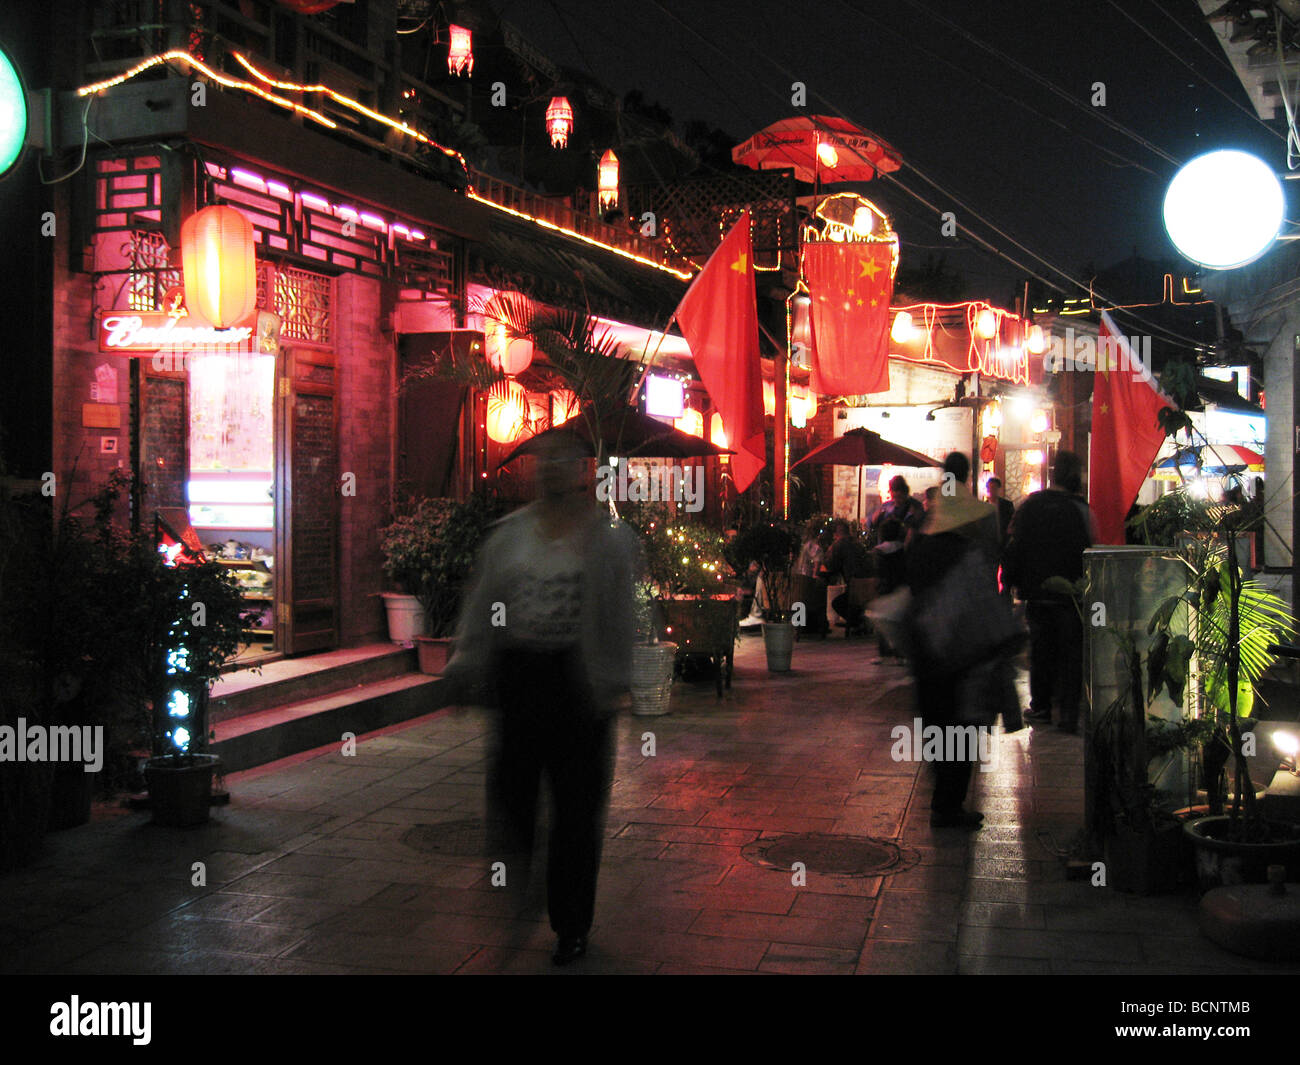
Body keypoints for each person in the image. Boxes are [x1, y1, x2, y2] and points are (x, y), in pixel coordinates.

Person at [443, 431, 639, 966]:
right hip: (520, 677)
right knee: (512, 792)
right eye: (544, 461)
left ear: (583, 469)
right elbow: (484, 602)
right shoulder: (510, 536)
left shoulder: (608, 540)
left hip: (580, 682)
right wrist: (467, 662)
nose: (550, 470)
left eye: (563, 461)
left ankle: (571, 922)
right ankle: (517, 881)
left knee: (578, 808)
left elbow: (622, 615)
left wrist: (617, 680)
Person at [906, 452, 1009, 828]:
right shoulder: (980, 518)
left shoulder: (923, 525)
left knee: (937, 720)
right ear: (968, 475)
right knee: (963, 724)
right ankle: (949, 804)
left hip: (926, 642)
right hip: (964, 642)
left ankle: (943, 801)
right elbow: (992, 567)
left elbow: (911, 576)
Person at [1002, 450, 1096, 733]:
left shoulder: (1030, 505)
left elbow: (1014, 543)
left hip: (1037, 594)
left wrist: (1012, 583)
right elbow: (1093, 550)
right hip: (1071, 597)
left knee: (1041, 651)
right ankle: (1068, 714)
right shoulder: (1082, 510)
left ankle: (1041, 707)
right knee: (1071, 656)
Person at [819, 518, 869, 633]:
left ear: (836, 533)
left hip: (855, 586)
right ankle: (860, 622)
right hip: (868, 584)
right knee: (847, 599)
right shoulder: (857, 544)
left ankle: (859, 623)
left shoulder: (840, 544)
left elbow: (830, 565)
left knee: (837, 603)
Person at [869, 475, 925, 548]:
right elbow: (872, 524)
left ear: (905, 492)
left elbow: (917, 528)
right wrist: (873, 520)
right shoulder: (886, 506)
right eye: (894, 497)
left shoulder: (915, 507)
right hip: (886, 548)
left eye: (899, 497)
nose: (896, 501)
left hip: (906, 549)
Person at [985, 477, 1015, 548]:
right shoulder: (984, 506)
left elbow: (1012, 522)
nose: (991, 490)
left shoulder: (1007, 505)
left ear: (998, 489)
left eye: (994, 488)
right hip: (989, 542)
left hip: (1004, 540)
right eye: (989, 488)